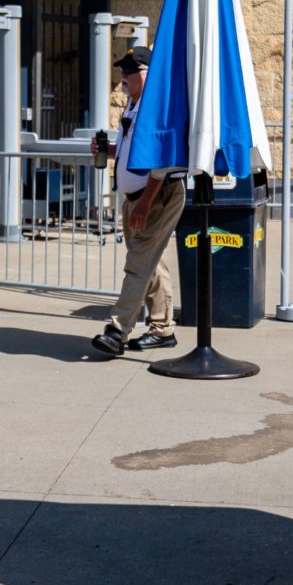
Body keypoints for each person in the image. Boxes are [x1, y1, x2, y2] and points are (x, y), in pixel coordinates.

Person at [90, 46, 185, 357]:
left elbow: (162, 159)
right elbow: (136, 151)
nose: (123, 77)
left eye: (130, 70)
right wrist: (110, 151)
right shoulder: (133, 105)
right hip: (137, 196)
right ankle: (162, 329)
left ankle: (117, 329)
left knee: (138, 265)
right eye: (122, 70)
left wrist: (144, 202)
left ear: (147, 73)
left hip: (156, 195)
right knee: (151, 262)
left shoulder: (155, 106)